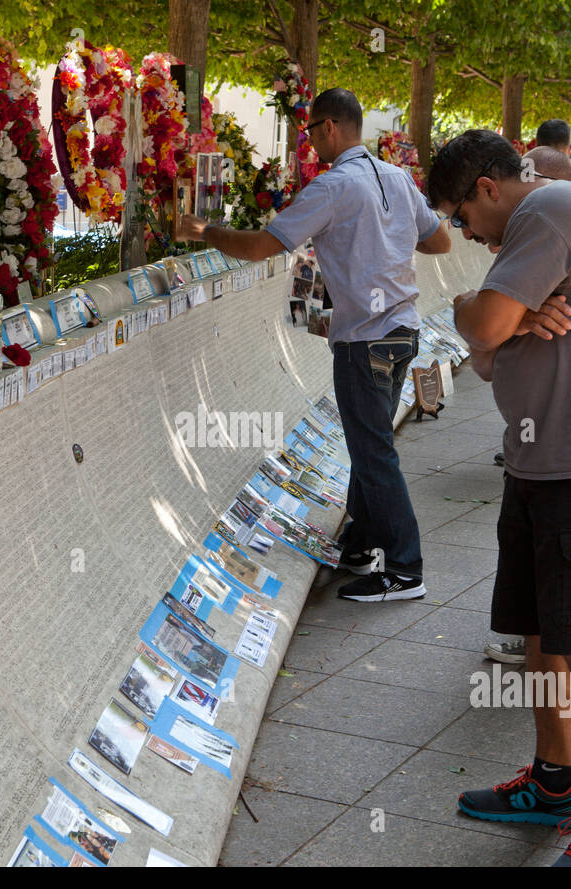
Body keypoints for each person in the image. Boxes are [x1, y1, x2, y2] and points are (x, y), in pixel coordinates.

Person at [429, 130, 571, 866]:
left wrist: (490, 312)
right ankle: (556, 781)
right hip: (544, 463)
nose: (464, 231)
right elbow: (485, 344)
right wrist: (492, 312)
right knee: (541, 630)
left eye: (462, 214)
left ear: (487, 188)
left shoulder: (549, 211)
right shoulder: (525, 236)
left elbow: (482, 329)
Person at [176, 88, 452, 602]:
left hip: (364, 338)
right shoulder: (394, 176)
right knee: (371, 445)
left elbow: (263, 245)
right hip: (403, 331)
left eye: (310, 131)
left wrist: (205, 230)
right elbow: (439, 241)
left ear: (329, 127)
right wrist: (388, 236)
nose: (310, 141)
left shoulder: (334, 187)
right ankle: (362, 542)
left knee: (374, 453)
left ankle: (406, 569)